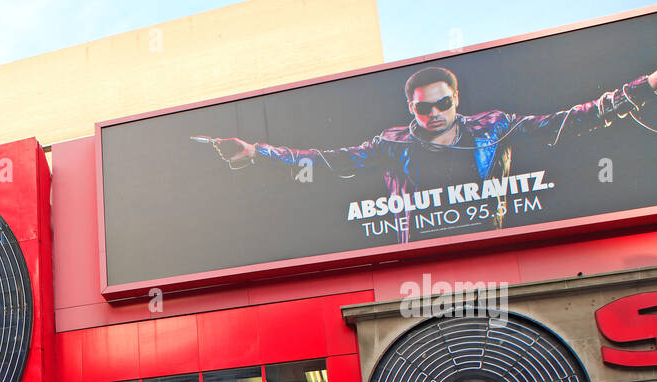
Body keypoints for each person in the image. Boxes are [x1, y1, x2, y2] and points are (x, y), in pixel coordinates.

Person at [205, 65, 657, 243]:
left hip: (492, 248)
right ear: (411, 108)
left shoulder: (495, 126)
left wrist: (644, 88)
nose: (435, 113)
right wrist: (257, 151)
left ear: (457, 100)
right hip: (420, 264)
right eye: (424, 107)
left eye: (444, 103)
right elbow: (326, 161)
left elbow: (570, 120)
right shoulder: (391, 143)